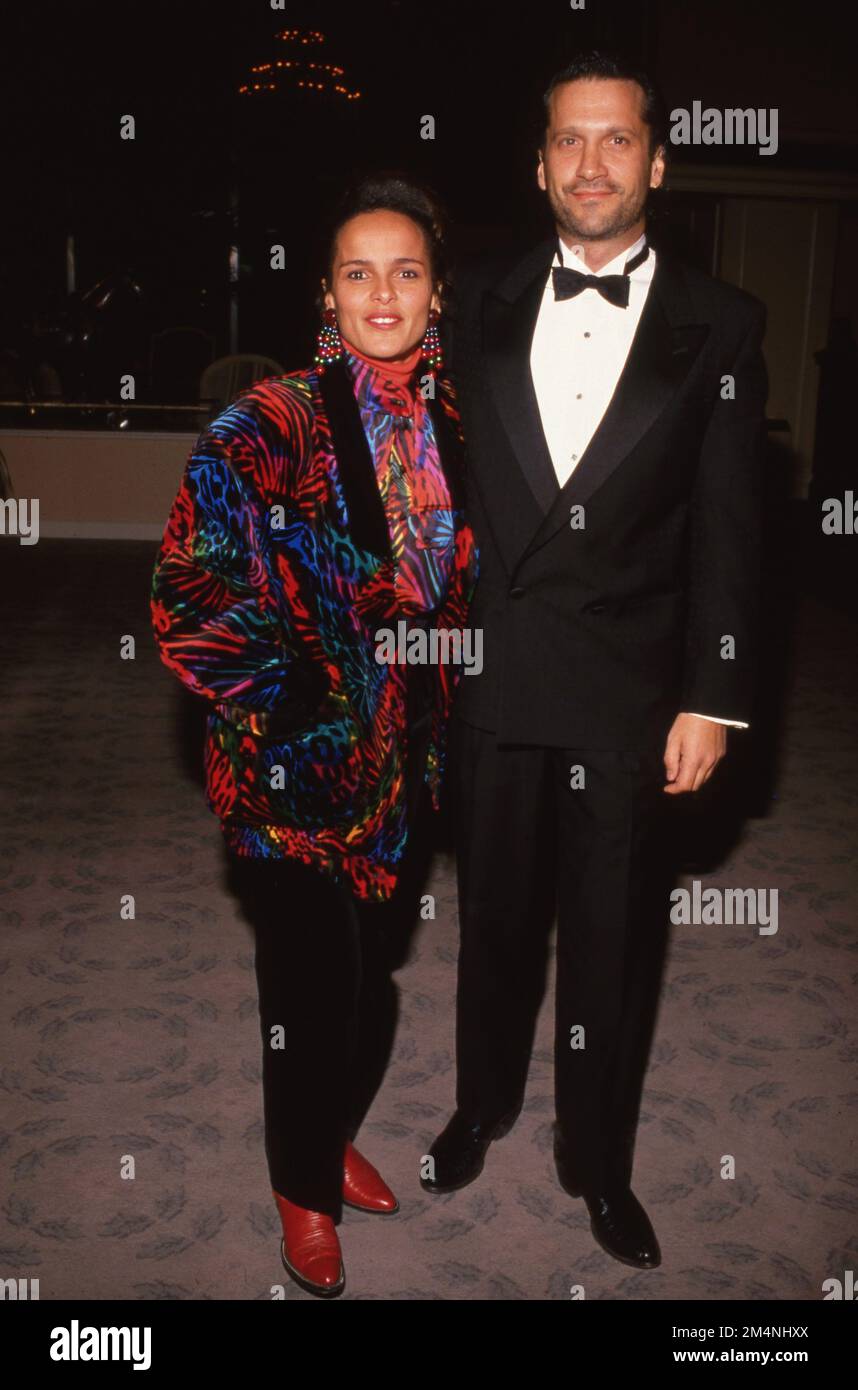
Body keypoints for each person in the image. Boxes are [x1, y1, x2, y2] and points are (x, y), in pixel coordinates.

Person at [423, 51, 768, 1269]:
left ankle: (599, 1160)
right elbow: (422, 480)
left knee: (615, 940)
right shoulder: (473, 303)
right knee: (494, 924)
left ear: (657, 163)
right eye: (569, 140)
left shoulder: (722, 322)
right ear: (538, 165)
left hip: (630, 691)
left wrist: (714, 697)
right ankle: (479, 1104)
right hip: (499, 676)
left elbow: (731, 527)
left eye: (616, 140)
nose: (590, 162)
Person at [150, 175, 477, 1297]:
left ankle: (330, 1126)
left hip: (403, 762)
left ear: (436, 293)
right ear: (325, 297)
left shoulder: (459, 419)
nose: (382, 292)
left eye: (406, 270)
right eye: (357, 271)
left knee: (371, 982)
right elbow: (189, 598)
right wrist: (297, 705)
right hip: (291, 769)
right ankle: (302, 1187)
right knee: (308, 984)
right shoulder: (269, 422)